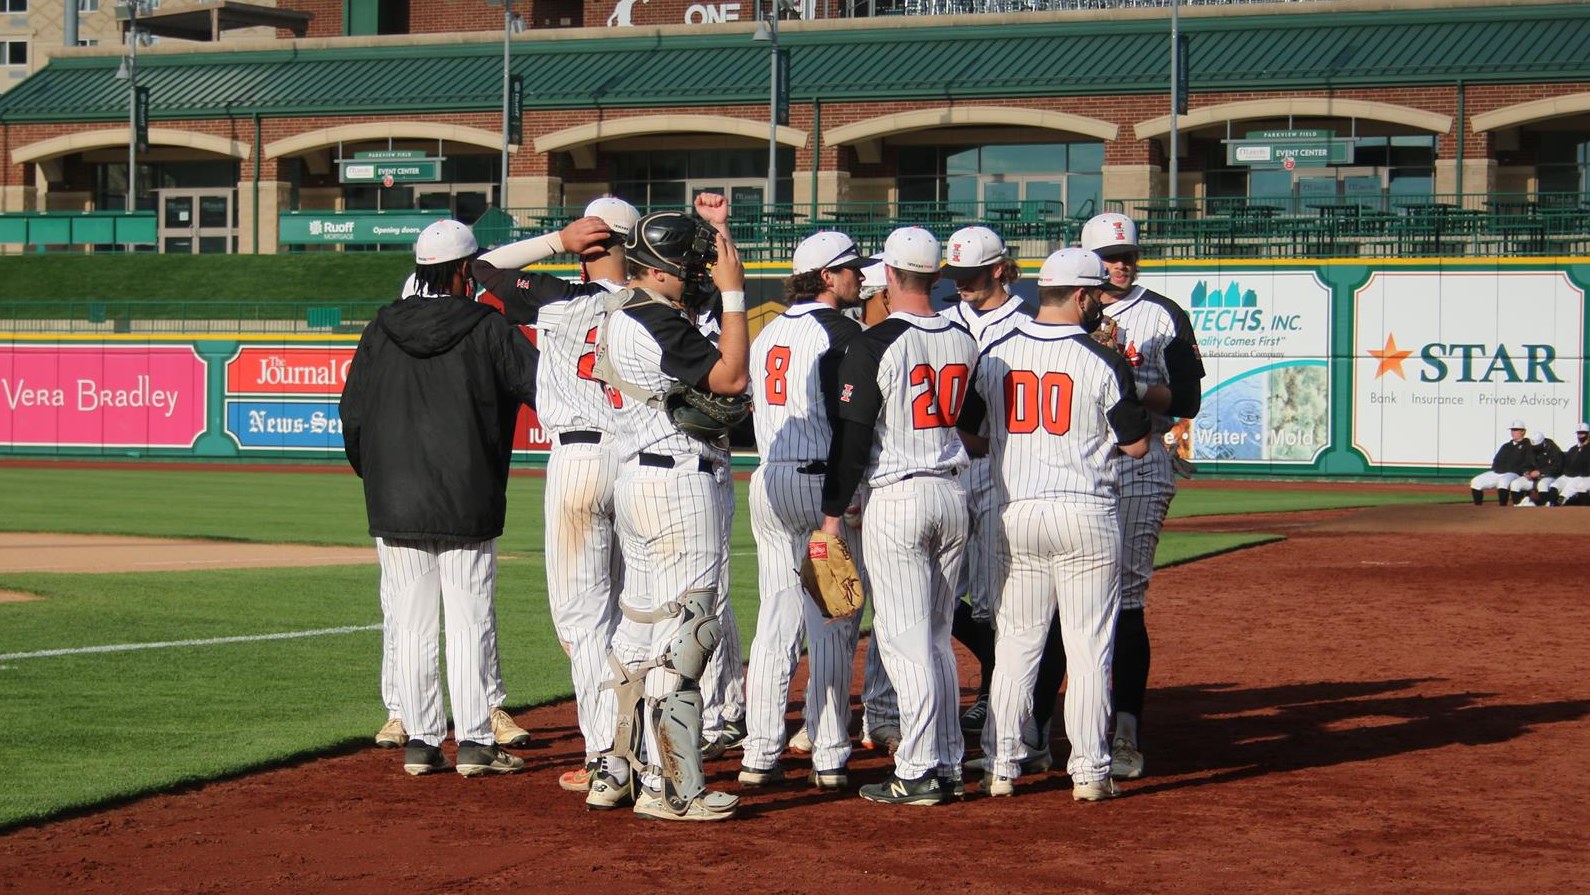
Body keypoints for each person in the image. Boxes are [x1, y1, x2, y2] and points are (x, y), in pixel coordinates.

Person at [339, 219, 538, 778]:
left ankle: (422, 743)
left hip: (394, 496)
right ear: (463, 271)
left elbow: (351, 416)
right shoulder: (487, 326)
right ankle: (475, 741)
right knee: (469, 617)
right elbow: (542, 387)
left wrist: (376, 477)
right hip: (467, 494)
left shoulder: (380, 327)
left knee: (411, 621)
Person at [956, 247, 1151, 800]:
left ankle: (1000, 763)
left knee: (1017, 644)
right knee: (1089, 648)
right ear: (1085, 296)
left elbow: (970, 434)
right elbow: (1136, 446)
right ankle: (1089, 772)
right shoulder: (1101, 358)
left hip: (1018, 509)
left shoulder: (995, 351)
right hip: (1086, 511)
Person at [469, 196, 639, 793]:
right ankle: (642, 747)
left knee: (582, 619)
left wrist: (556, 242)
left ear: (590, 238)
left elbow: (478, 267)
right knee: (635, 613)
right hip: (640, 461)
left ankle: (604, 757)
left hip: (577, 462)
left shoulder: (553, 296)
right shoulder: (652, 303)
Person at [588, 194, 750, 821]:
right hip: (678, 483)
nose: (702, 274)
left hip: (640, 478)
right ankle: (671, 786)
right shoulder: (655, 320)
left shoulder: (626, 309)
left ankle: (616, 768)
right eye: (693, 264)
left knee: (638, 631)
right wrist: (734, 297)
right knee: (690, 629)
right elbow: (731, 379)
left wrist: (718, 231)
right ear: (662, 267)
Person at [1028, 211, 1202, 782]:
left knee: (1124, 597)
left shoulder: (1162, 313)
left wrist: (1128, 376)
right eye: (1109, 256)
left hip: (1141, 461)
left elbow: (1188, 400)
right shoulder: (1059, 309)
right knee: (1050, 600)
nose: (1120, 265)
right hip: (1071, 463)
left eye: (1127, 255)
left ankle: (1124, 733)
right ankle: (1033, 730)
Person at [819, 226, 978, 805]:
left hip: (899, 495)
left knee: (905, 638)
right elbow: (975, 418)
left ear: (888, 275)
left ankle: (915, 769)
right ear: (937, 277)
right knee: (936, 636)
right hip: (951, 490)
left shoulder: (874, 342)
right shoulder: (964, 338)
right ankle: (949, 762)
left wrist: (832, 515)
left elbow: (853, 439)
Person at [739, 231, 870, 791]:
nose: (858, 277)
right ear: (826, 277)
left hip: (769, 481)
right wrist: (844, 499)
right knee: (833, 622)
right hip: (818, 485)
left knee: (775, 620)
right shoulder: (842, 332)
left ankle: (759, 751)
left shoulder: (767, 334)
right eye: (850, 269)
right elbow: (850, 423)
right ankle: (829, 753)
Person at [938, 225, 1032, 736]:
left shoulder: (1028, 321)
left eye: (971, 275)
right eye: (954, 275)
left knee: (997, 597)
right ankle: (996, 682)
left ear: (998, 269)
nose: (961, 285)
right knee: (943, 595)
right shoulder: (945, 318)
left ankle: (996, 694)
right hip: (949, 471)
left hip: (1000, 470)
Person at [1470, 420, 1533, 506]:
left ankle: (1502, 508)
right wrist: (1497, 469)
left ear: (1523, 431)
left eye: (1516, 430)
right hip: (1499, 471)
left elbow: (1528, 461)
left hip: (1515, 473)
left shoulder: (1528, 445)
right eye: (1512, 430)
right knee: (1476, 481)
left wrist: (1523, 470)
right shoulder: (1506, 446)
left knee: (1503, 482)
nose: (1513, 432)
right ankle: (1478, 507)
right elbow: (1496, 460)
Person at [1515, 430, 1564, 507]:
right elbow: (1525, 464)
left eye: (1537, 446)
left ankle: (1545, 505)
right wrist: (1526, 472)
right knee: (1516, 484)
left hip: (1550, 476)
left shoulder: (1553, 449)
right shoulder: (1531, 448)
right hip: (1533, 477)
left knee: (1542, 484)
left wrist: (1540, 472)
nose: (1535, 448)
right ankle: (1518, 504)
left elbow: (1557, 467)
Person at [1557, 422, 1590, 505]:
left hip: (1587, 476)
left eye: (1582, 433)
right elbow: (1567, 464)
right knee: (1562, 485)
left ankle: (1585, 510)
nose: (1580, 435)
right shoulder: (1573, 449)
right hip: (1574, 476)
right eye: (1579, 433)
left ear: (1587, 434)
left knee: (1580, 486)